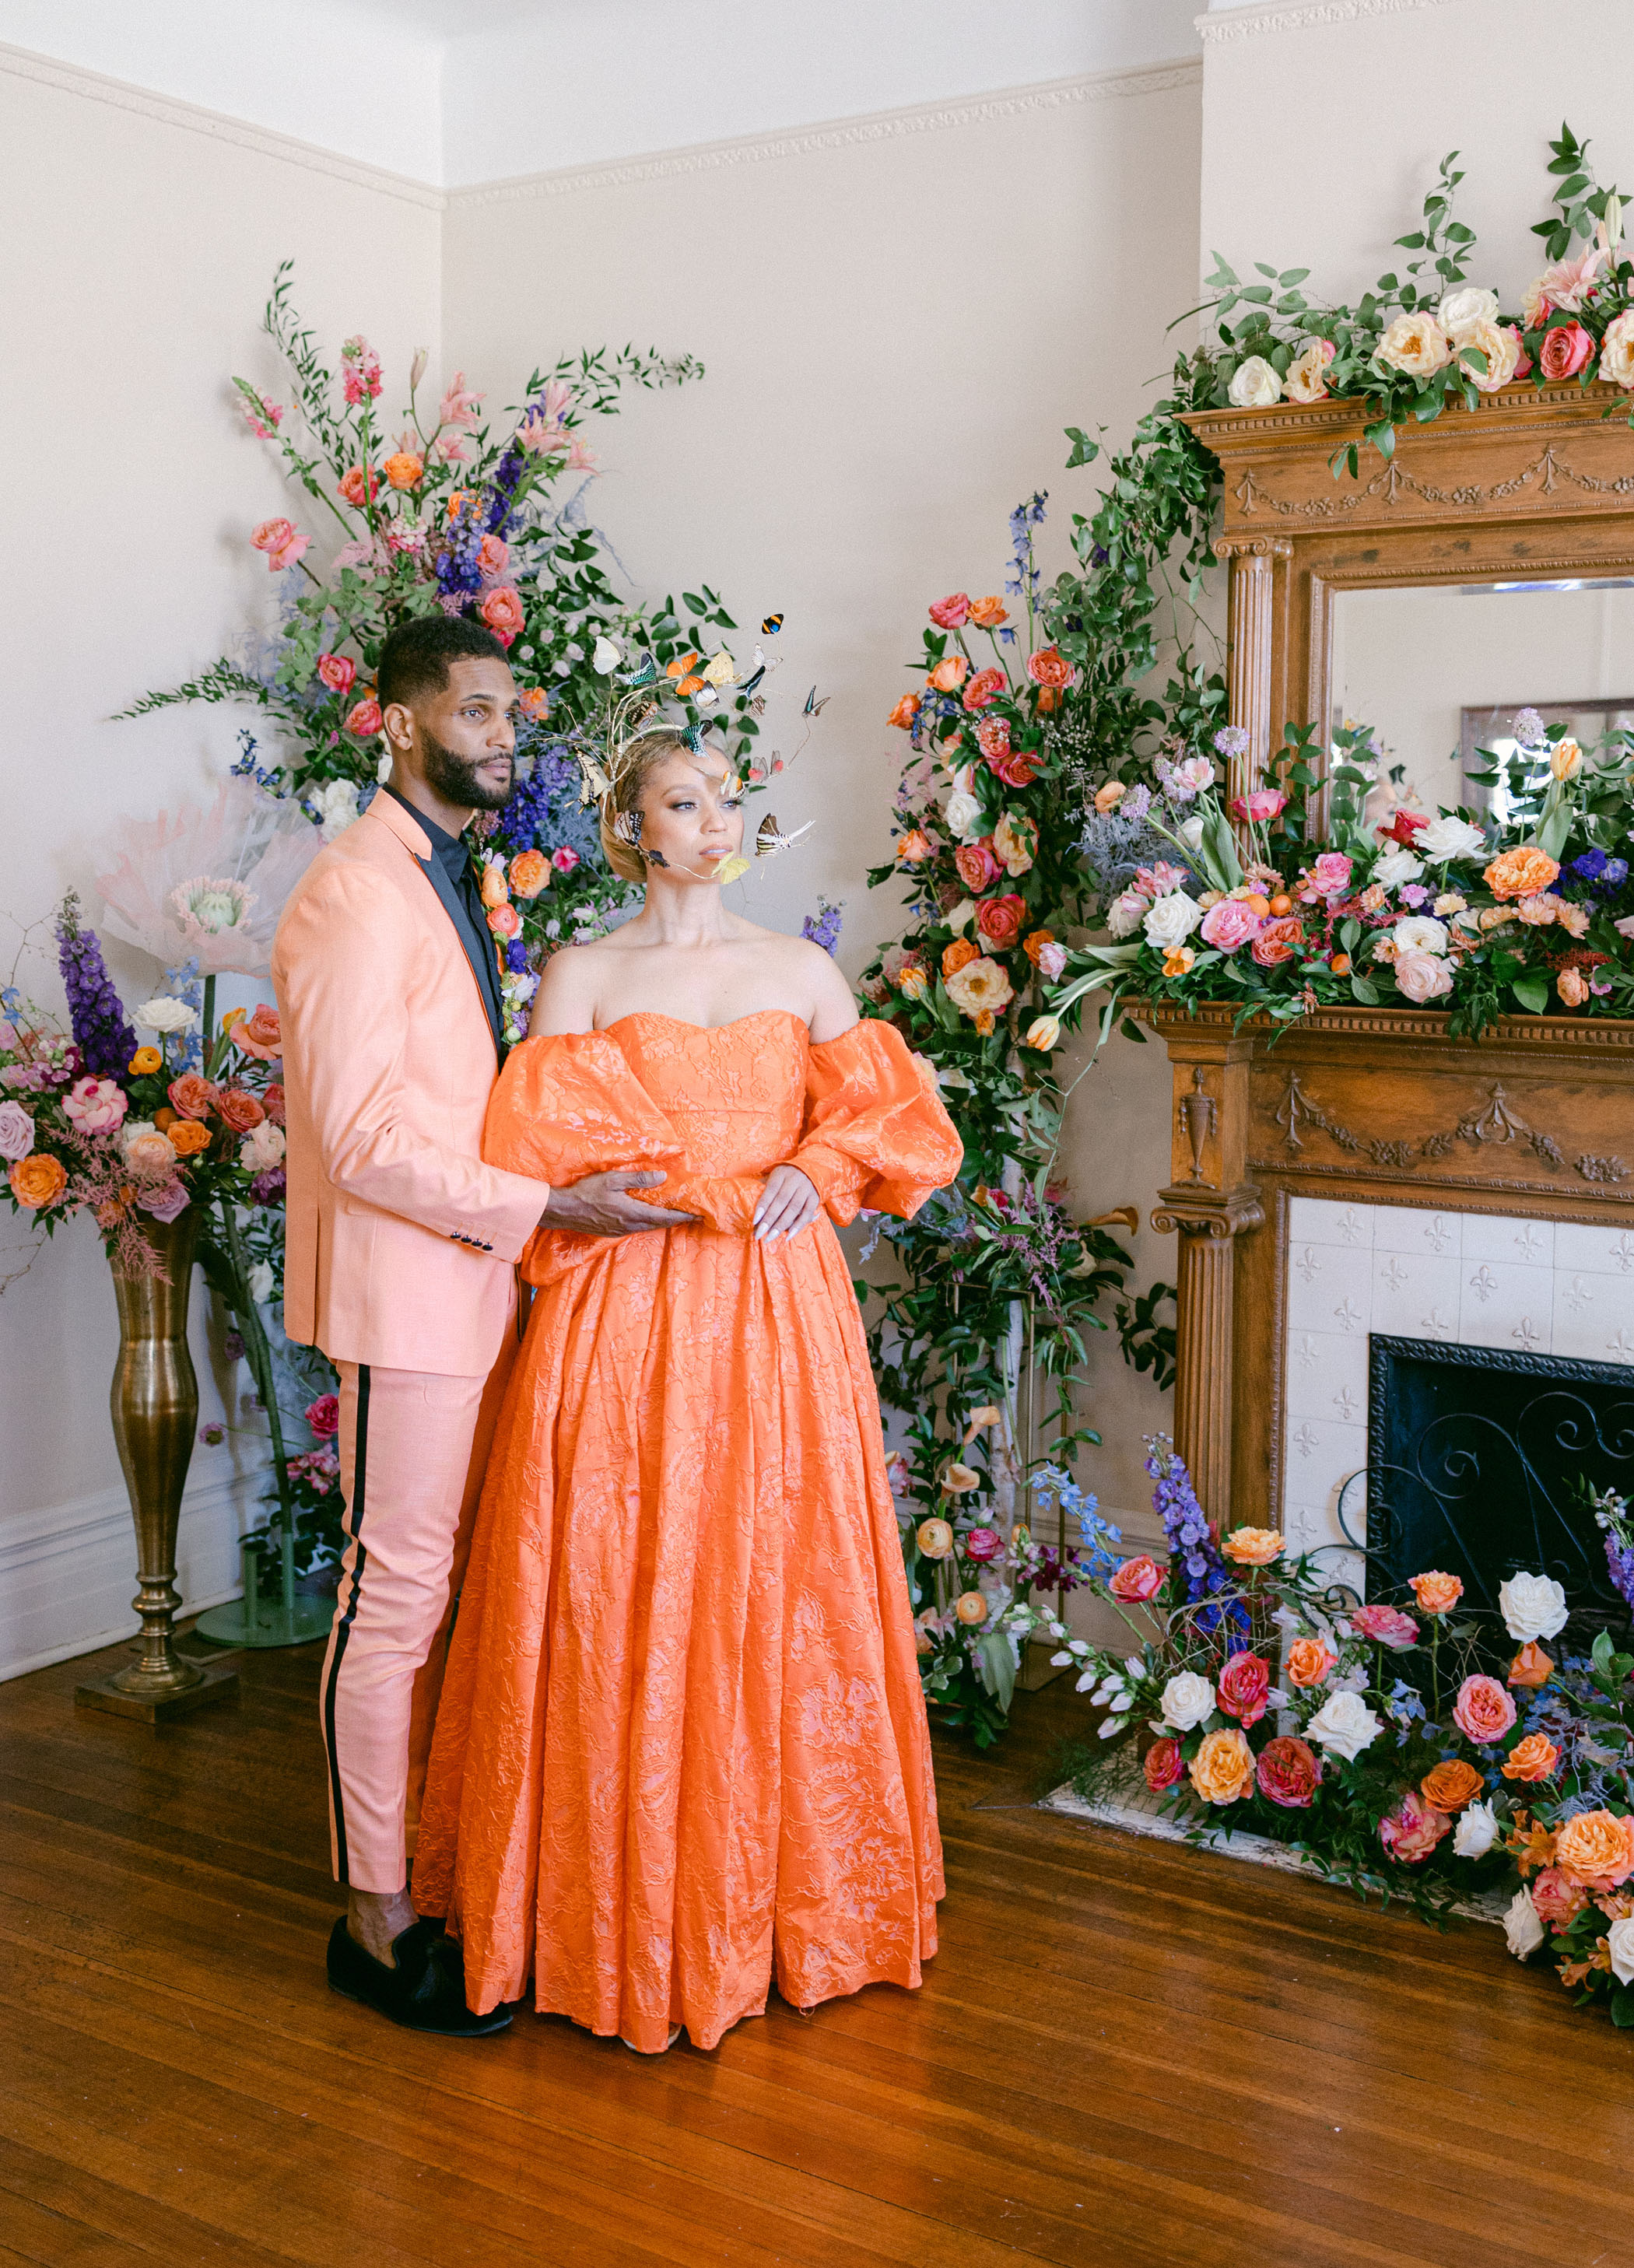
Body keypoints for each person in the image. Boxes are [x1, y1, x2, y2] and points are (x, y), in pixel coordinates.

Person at [412, 719, 963, 2054]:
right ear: (631, 827)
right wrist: (648, 1186)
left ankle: (774, 1908)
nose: (716, 820)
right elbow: (534, 1148)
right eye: (684, 801)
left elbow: (897, 1121)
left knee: (778, 1571)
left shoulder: (802, 968)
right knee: (613, 1572)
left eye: (725, 797)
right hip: (626, 1313)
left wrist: (813, 1168)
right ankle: (602, 1914)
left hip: (775, 1311)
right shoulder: (583, 973)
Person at [272, 615, 692, 2037]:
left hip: (486, 1286)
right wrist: (547, 1203)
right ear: (400, 724)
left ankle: (438, 1868)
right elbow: (361, 1139)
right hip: (410, 1298)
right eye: (475, 712)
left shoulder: (445, 875)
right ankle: (372, 1921)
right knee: (391, 1600)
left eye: (511, 713)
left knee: (450, 1596)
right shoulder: (352, 891)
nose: (505, 735)